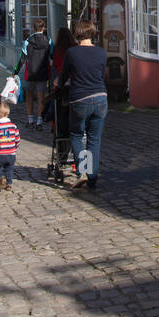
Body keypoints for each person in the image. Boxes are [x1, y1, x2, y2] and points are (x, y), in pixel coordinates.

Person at [55, 20, 109, 192]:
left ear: (77, 34)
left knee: (77, 135)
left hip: (80, 99)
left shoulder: (72, 53)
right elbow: (100, 76)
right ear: (92, 33)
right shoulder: (101, 52)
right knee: (94, 139)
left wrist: (58, 83)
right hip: (100, 98)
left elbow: (63, 77)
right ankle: (92, 177)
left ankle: (81, 172)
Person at [23, 19, 51, 129]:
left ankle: (30, 120)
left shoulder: (28, 41)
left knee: (29, 96)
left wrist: (15, 72)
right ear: (43, 28)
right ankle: (39, 121)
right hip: (43, 72)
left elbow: (22, 58)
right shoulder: (48, 40)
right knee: (41, 97)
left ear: (34, 28)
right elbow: (51, 55)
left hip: (30, 73)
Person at [0, 101, 20, 192]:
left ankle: (1, 177)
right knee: (9, 168)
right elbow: (17, 139)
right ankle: (8, 184)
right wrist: (15, 147)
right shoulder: (13, 126)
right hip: (11, 154)